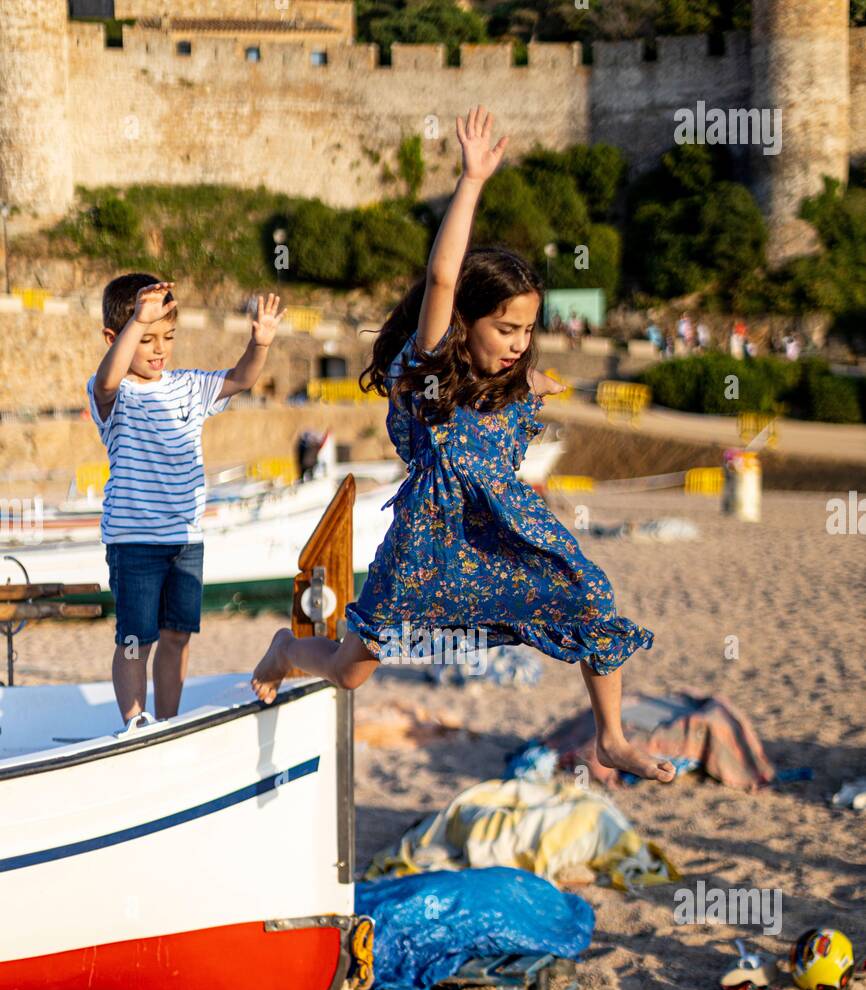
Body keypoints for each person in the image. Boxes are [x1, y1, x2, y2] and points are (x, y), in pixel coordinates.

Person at [251, 107, 675, 783]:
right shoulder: (426, 374)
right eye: (505, 327)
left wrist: (533, 384)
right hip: (427, 541)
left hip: (503, 535)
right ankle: (283, 650)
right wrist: (473, 179)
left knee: (593, 598)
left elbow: (521, 386)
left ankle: (613, 738)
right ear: (463, 323)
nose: (518, 341)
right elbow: (444, 277)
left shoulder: (516, 387)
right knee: (352, 671)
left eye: (527, 329)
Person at [88, 273, 284, 723]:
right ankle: (136, 723)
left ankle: (168, 722)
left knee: (177, 635)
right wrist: (138, 319)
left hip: (185, 538)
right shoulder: (113, 393)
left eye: (168, 337)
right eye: (146, 338)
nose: (159, 349)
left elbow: (240, 379)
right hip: (134, 539)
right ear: (114, 338)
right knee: (136, 640)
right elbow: (105, 379)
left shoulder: (189, 386)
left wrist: (261, 345)